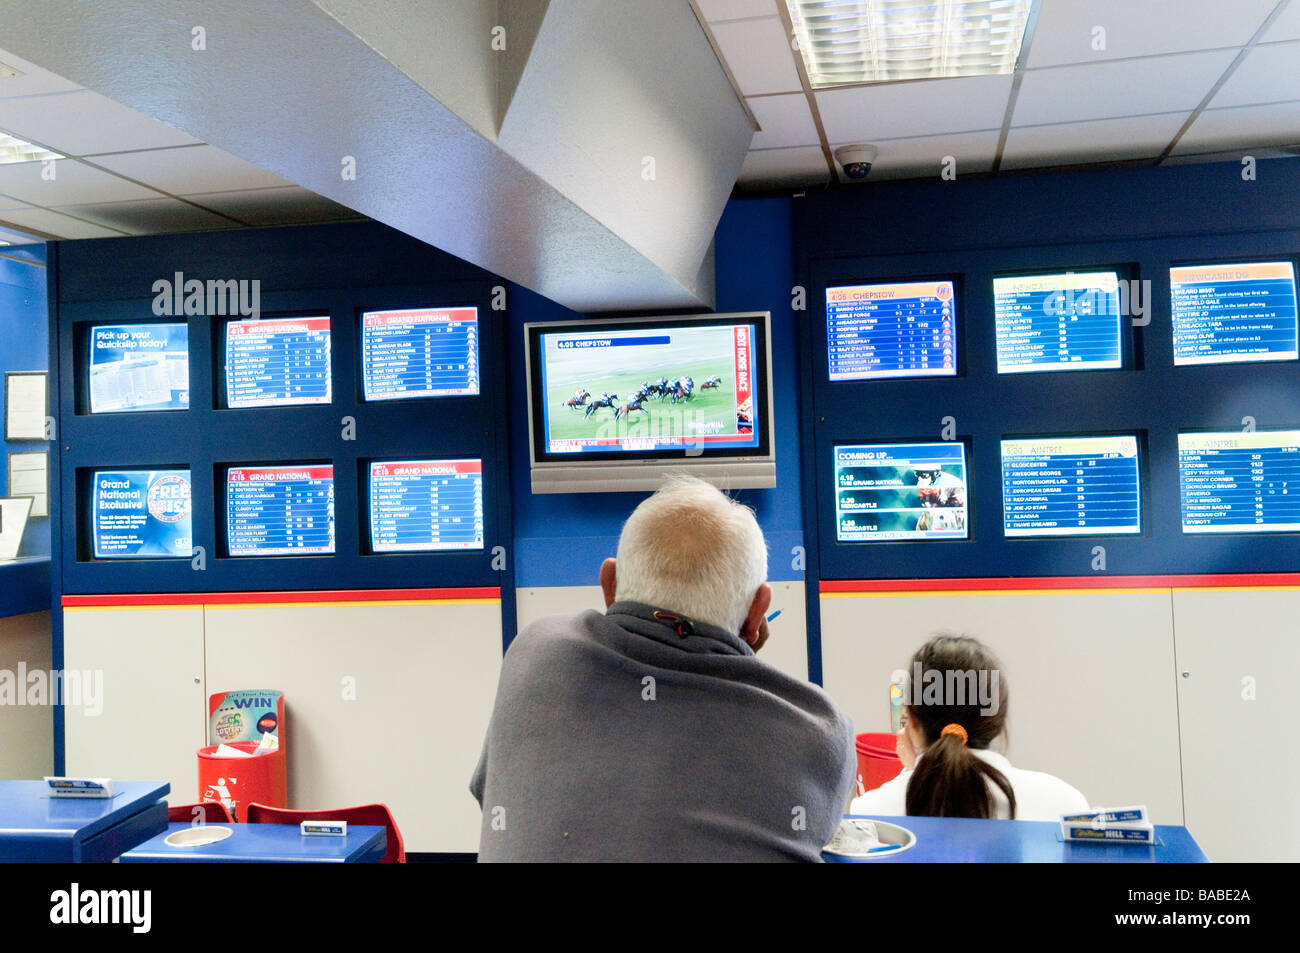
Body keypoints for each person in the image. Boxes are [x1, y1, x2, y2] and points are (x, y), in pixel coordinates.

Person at [471, 475, 856, 861]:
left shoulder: (533, 651)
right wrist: (739, 654)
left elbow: (494, 796)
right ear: (759, 609)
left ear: (610, 584)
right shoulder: (819, 730)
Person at [850, 635, 1087, 821]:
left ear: (910, 722)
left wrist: (912, 774)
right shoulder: (1066, 805)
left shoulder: (869, 812)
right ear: (998, 720)